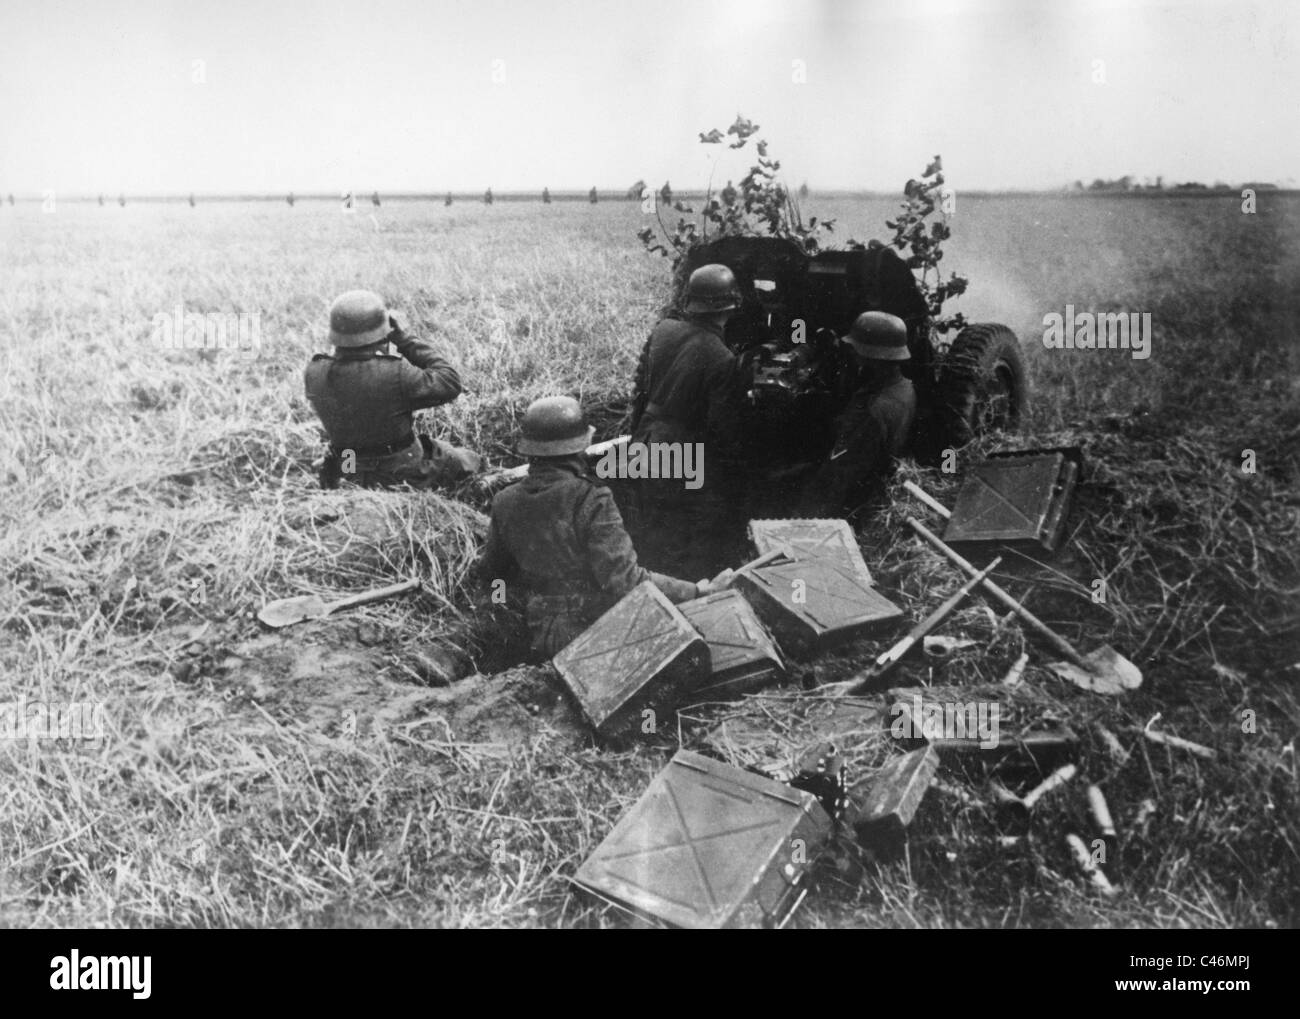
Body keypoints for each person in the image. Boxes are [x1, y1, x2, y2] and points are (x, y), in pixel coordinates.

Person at [477, 396, 708, 661]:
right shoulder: (590, 498)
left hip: (538, 633)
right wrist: (694, 591)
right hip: (595, 634)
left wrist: (500, 607)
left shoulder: (504, 501)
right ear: (580, 447)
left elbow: (494, 574)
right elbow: (625, 582)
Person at [627, 263, 748, 576]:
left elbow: (640, 390)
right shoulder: (721, 358)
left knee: (649, 528)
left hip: (646, 439)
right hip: (683, 458)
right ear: (731, 306)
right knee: (685, 538)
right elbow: (724, 429)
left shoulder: (663, 329)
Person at [305, 290, 481, 489]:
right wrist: (402, 339)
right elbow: (449, 381)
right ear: (381, 334)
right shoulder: (395, 373)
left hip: (349, 462)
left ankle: (350, 481)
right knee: (466, 459)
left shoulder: (315, 371)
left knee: (352, 465)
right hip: (400, 469)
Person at [797, 311, 917, 516]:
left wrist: (806, 514)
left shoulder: (874, 411)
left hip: (855, 503)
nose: (852, 352)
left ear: (871, 354)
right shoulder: (903, 387)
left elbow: (841, 476)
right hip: (873, 479)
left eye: (856, 348)